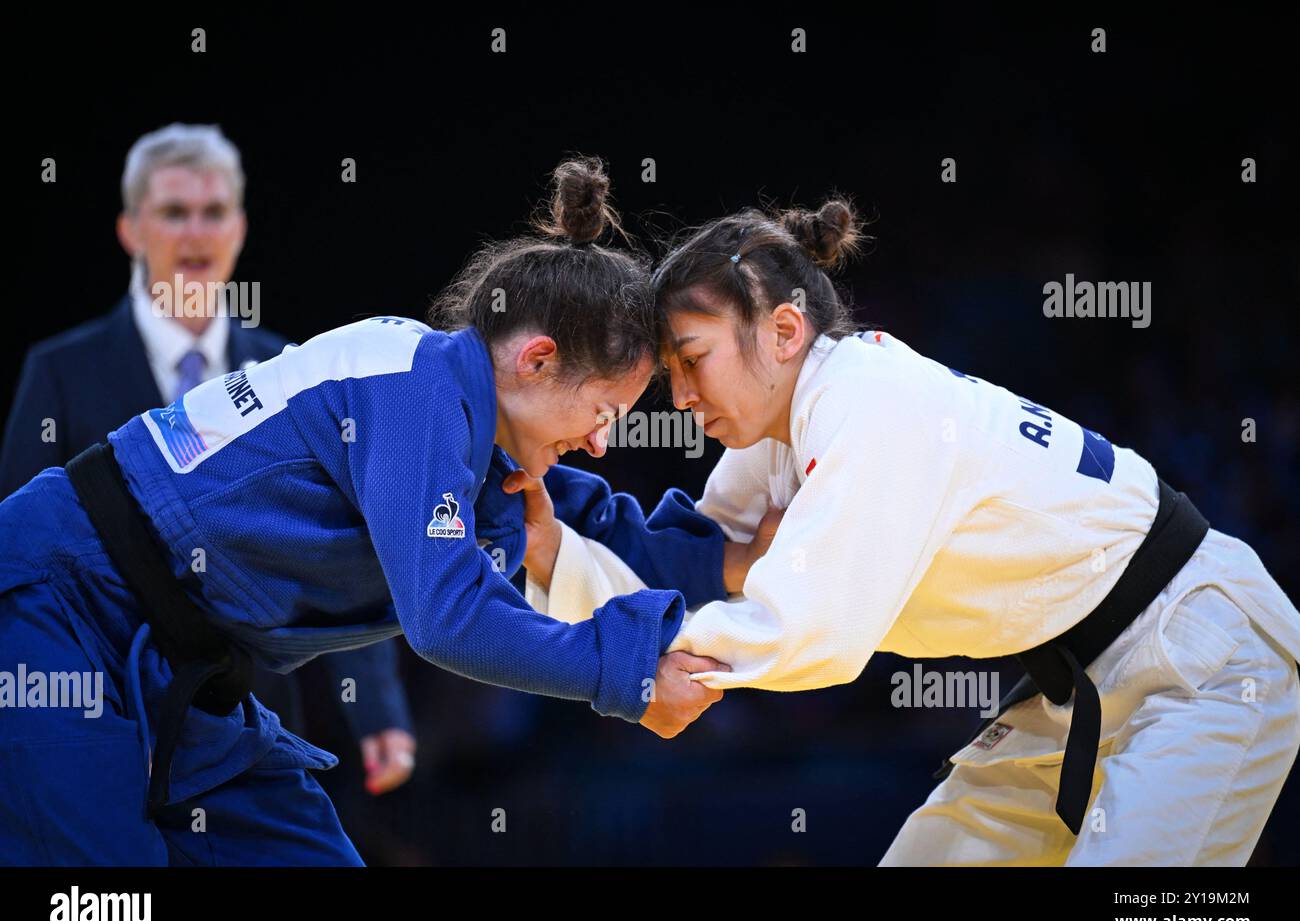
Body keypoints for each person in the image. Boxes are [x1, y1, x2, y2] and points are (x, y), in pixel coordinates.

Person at [0, 157, 743, 865]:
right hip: (60, 606)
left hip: (193, 673)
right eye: (604, 409)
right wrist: (627, 677)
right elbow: (449, 617)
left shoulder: (491, 455)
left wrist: (759, 558)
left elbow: (608, 530)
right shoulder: (411, 385)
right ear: (537, 360)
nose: (604, 442)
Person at [516, 197, 1300, 865]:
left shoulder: (871, 405)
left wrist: (633, 668)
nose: (680, 398)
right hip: (1072, 684)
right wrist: (561, 560)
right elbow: (688, 562)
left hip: (1203, 652)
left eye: (692, 361)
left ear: (785, 333)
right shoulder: (785, 430)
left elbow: (808, 630)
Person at [0, 122, 416, 797]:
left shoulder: (298, 367)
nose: (195, 233)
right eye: (173, 212)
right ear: (131, 231)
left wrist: (378, 714)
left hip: (255, 720)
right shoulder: (60, 373)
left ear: (240, 227)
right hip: (106, 712)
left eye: (213, 212)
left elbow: (347, 544)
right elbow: (18, 552)